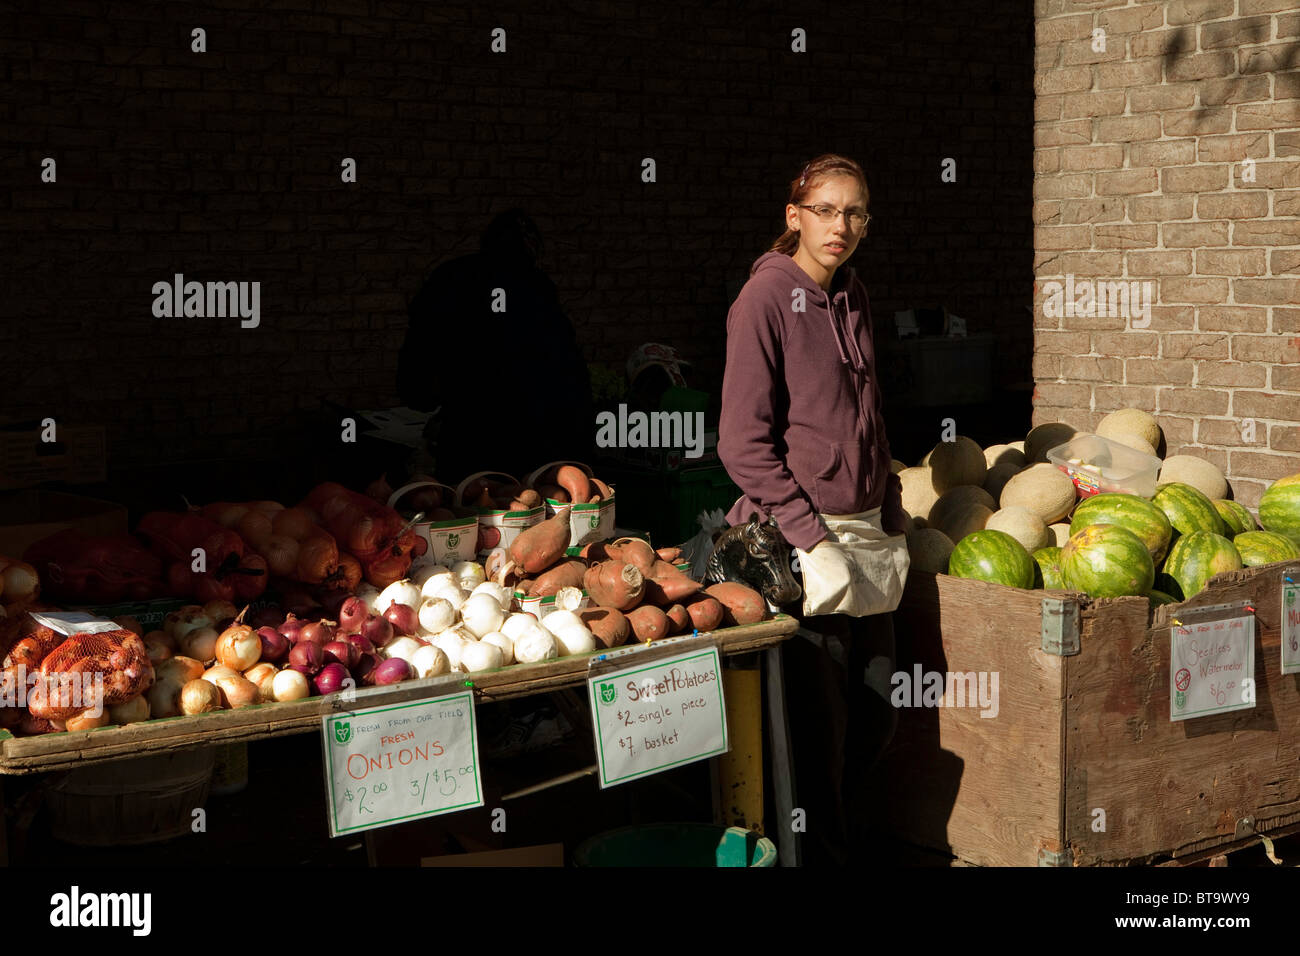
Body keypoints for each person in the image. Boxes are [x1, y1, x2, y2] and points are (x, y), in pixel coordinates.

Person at [717, 154, 911, 866]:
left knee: (877, 719)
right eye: (825, 210)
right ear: (793, 216)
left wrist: (890, 507)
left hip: (863, 537)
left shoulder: (853, 295)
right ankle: (815, 857)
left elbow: (871, 411)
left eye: (855, 212)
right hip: (799, 549)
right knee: (815, 739)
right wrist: (810, 536)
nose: (842, 226)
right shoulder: (764, 301)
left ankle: (831, 846)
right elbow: (741, 445)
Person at [398, 209, 594, 483]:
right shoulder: (537, 289)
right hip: (533, 438)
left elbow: (415, 381)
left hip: (472, 435)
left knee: (470, 509)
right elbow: (570, 375)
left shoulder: (451, 279)